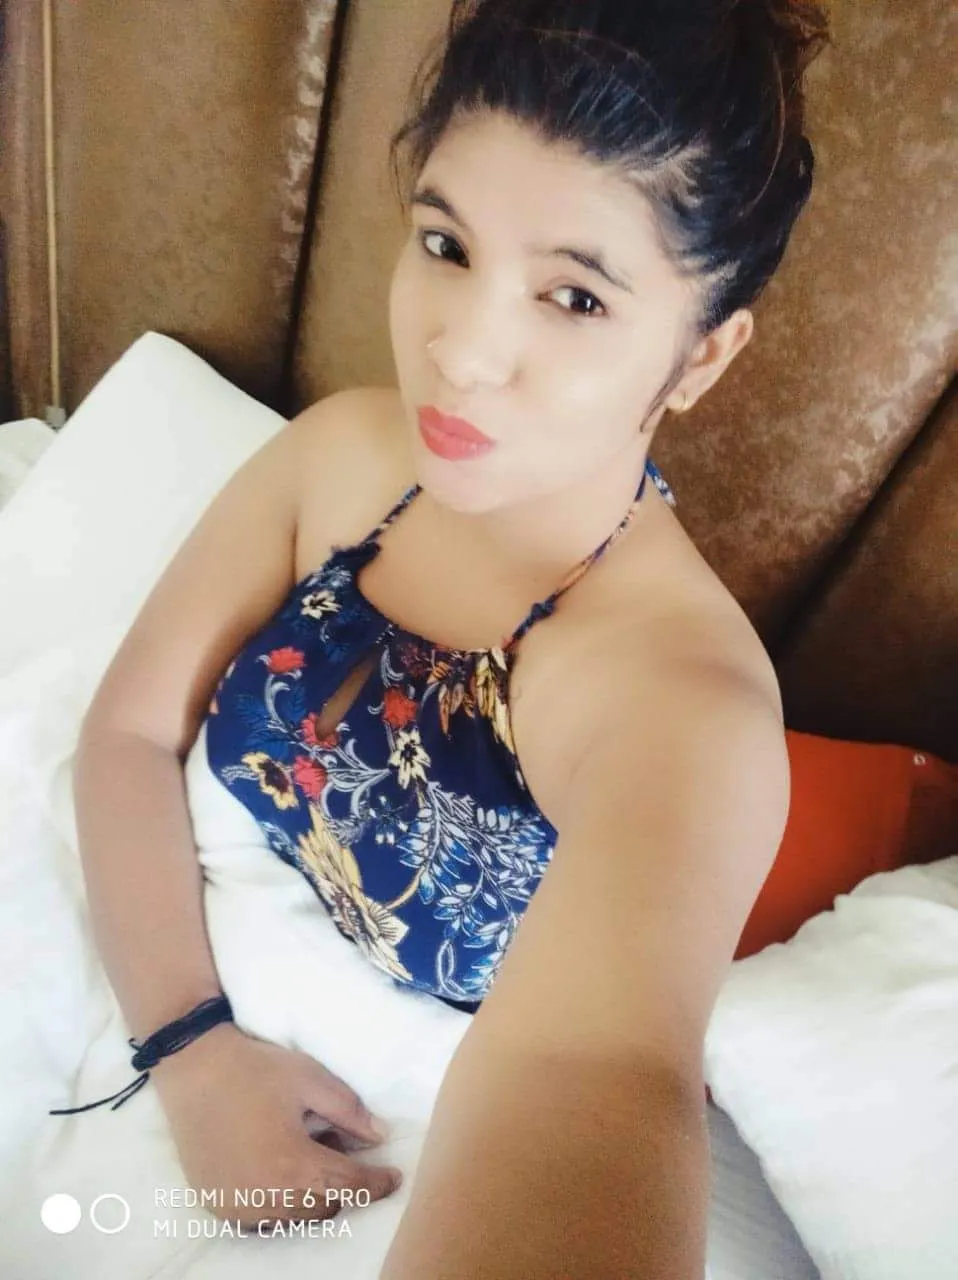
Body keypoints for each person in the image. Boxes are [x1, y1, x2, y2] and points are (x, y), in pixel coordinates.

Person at [69, 0, 829, 1274]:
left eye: (574, 296)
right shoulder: (341, 454)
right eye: (445, 243)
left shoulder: (682, 708)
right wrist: (189, 1049)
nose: (462, 352)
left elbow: (594, 1075)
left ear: (701, 356)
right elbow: (132, 728)